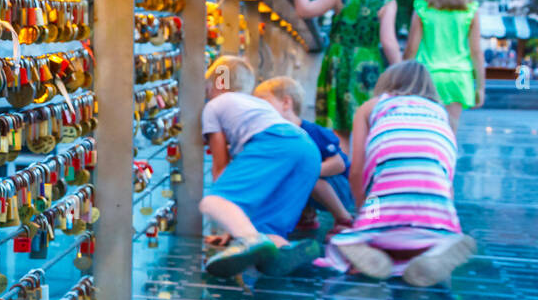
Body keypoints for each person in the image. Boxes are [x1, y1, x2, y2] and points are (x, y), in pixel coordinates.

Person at [323, 60, 476, 287]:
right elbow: (447, 177)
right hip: (435, 203)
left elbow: (357, 171)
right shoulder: (440, 112)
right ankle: (437, 246)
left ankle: (369, 240)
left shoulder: (372, 106)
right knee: (436, 228)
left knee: (367, 222)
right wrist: (447, 216)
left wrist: (364, 214)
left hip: (383, 198)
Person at [199, 55, 322, 277]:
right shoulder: (254, 104)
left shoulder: (214, 106)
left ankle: (247, 241)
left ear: (213, 84)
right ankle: (285, 250)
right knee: (263, 228)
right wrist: (235, 223)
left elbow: (221, 167)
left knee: (214, 201)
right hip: (308, 150)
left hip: (276, 143)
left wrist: (227, 217)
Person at [293, 0, 402, 153]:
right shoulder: (386, 1)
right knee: (366, 125)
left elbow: (304, 9)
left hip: (337, 64)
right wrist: (402, 74)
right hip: (368, 68)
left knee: (338, 129)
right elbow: (389, 42)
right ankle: (361, 178)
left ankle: (341, 178)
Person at [253, 76, 355, 228]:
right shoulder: (279, 136)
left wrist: (304, 172)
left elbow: (338, 164)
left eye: (264, 103)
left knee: (306, 173)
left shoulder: (313, 132)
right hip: (319, 189)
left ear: (286, 103)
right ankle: (306, 216)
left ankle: (344, 218)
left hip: (342, 190)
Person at [403, 0, 485, 133]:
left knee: (425, 131)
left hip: (427, 76)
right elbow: (476, 53)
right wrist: (480, 87)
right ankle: (447, 161)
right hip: (458, 77)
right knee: (450, 132)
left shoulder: (422, 9)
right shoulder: (470, 11)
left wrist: (402, 78)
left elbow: (411, 51)